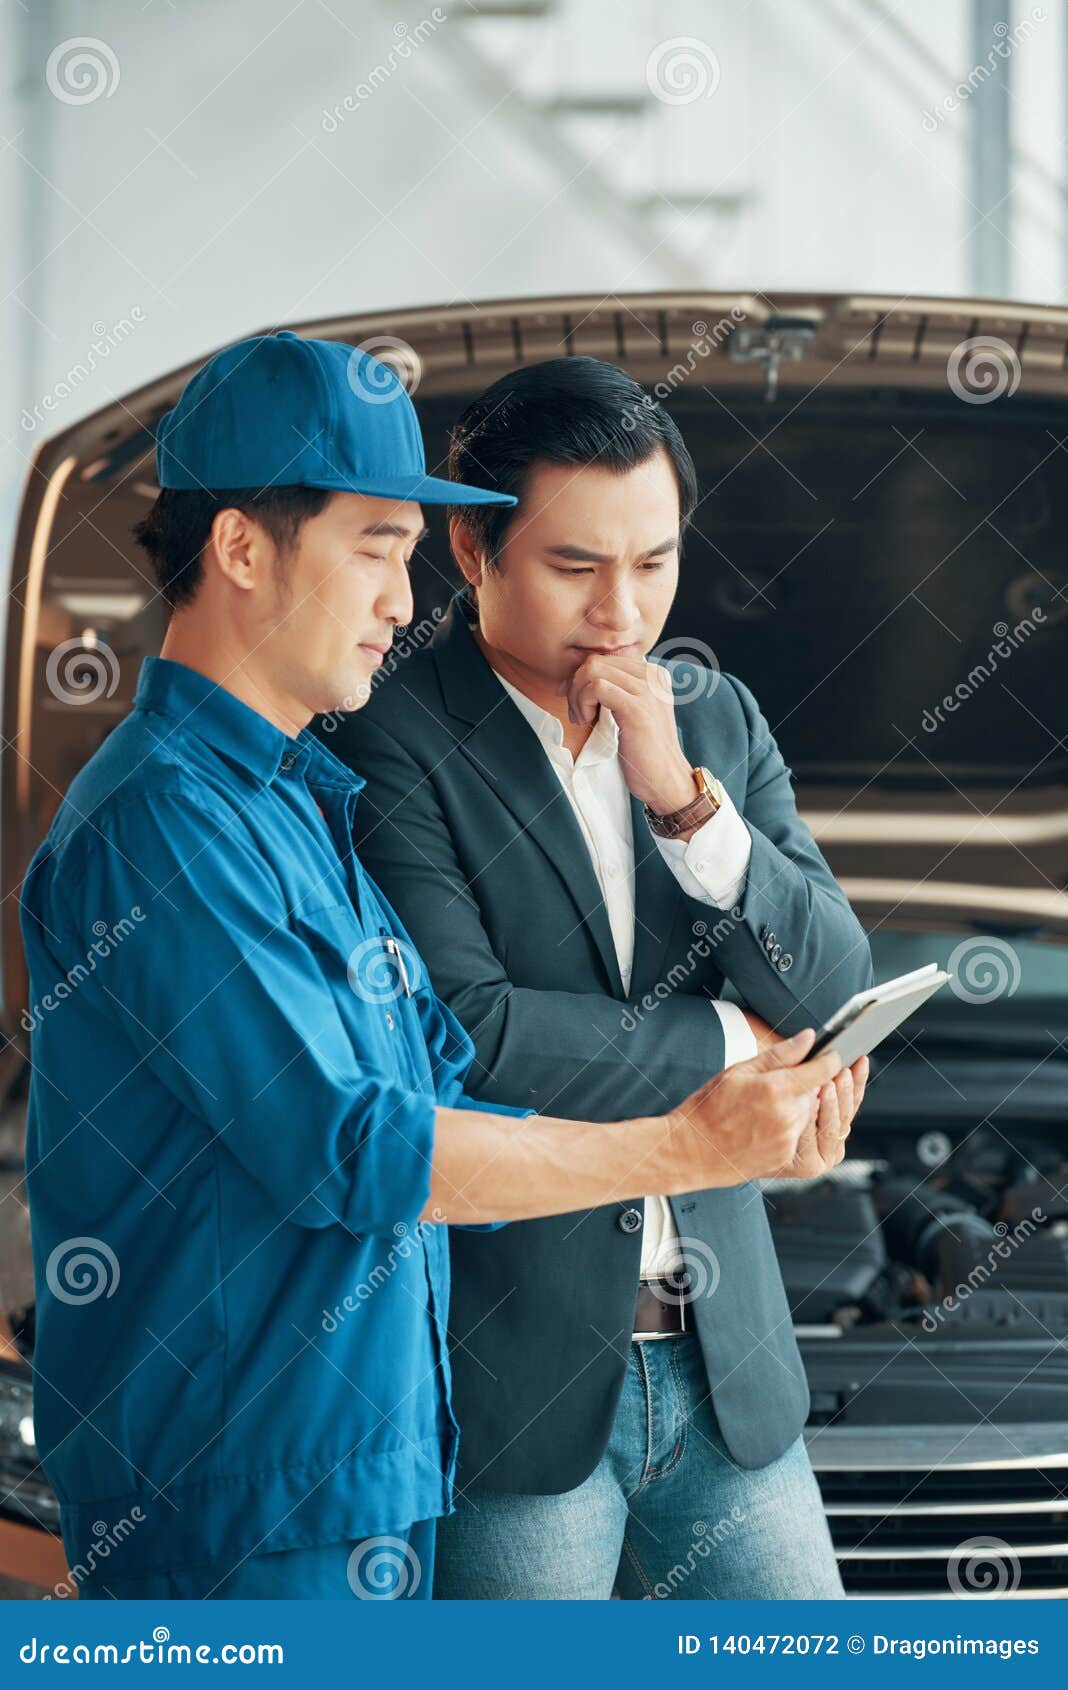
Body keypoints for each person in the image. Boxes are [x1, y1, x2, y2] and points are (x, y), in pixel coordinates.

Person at [18, 333, 851, 1602]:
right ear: (244, 549)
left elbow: (445, 1072)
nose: (405, 604)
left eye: (405, 557)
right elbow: (366, 1142)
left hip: (374, 1458)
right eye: (374, 550)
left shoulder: (298, 795)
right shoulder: (170, 822)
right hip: (245, 1490)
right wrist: (700, 1127)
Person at [323, 355, 873, 1600]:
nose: (623, 610)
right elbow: (470, 1032)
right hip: (517, 1383)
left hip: (729, 1372)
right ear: (474, 548)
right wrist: (737, 1048)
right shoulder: (386, 732)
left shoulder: (713, 721)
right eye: (576, 566)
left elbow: (835, 974)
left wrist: (683, 799)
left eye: (654, 561)